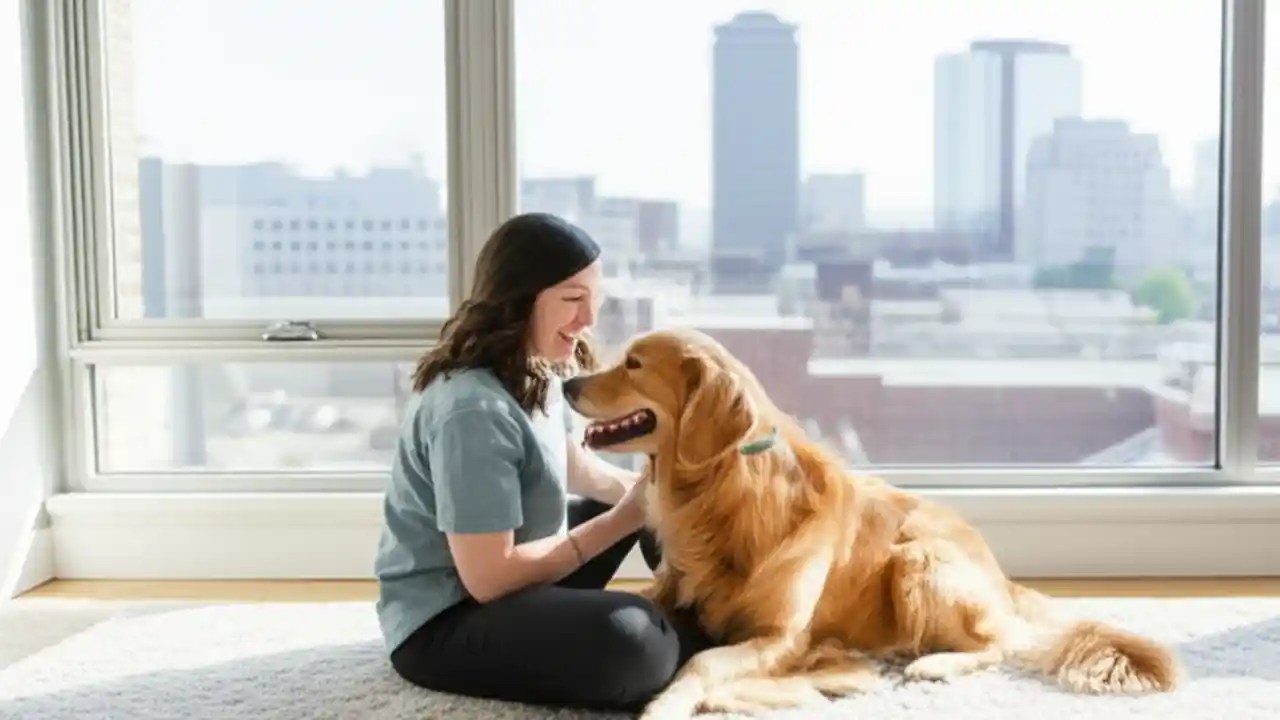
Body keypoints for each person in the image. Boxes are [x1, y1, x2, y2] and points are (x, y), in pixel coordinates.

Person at [375, 212, 711, 711]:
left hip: (517, 578)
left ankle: (716, 611)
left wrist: (661, 498)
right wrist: (625, 518)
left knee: (660, 511)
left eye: (593, 301)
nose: (588, 320)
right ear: (517, 299)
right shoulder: (472, 411)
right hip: (449, 619)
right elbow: (489, 579)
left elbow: (574, 468)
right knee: (634, 642)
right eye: (573, 301)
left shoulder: (535, 368)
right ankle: (699, 635)